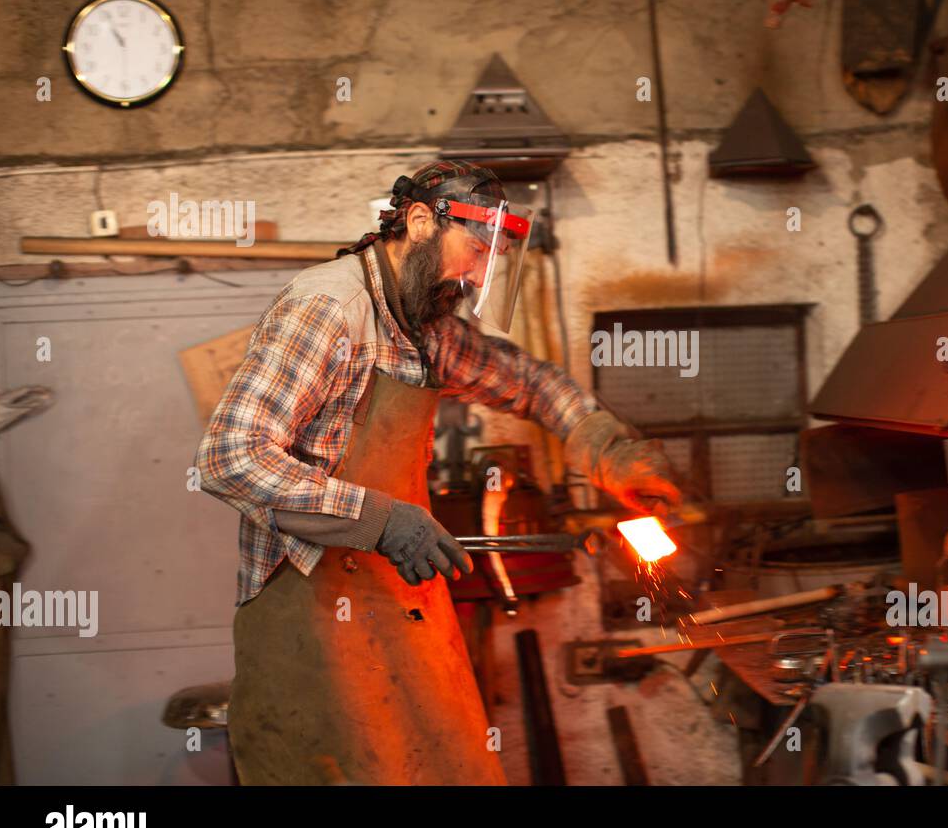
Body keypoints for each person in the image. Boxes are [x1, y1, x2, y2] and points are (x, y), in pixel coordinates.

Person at [194, 159, 681, 784]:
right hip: (310, 610)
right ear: (421, 221)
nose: (478, 273)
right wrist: (380, 518)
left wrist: (609, 448)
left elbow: (528, 384)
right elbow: (229, 458)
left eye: (491, 260)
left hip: (399, 594)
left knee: (449, 767)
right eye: (475, 249)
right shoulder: (327, 308)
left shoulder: (425, 328)